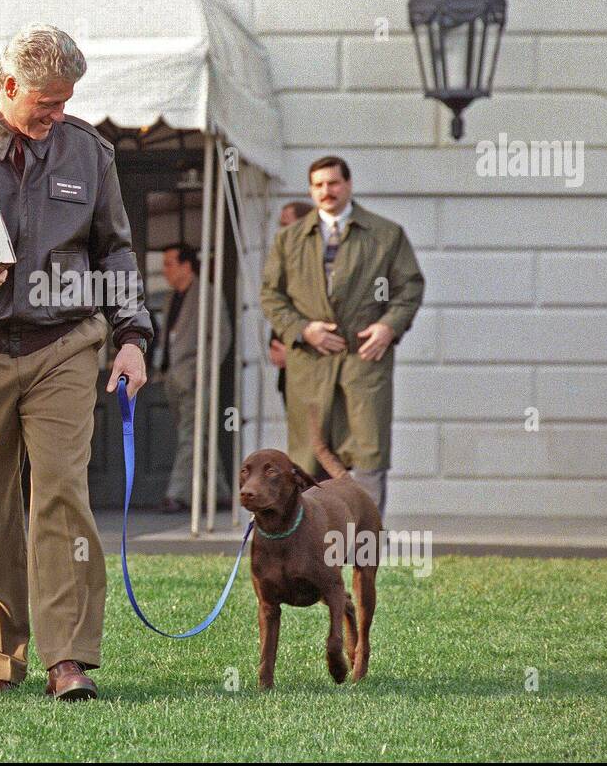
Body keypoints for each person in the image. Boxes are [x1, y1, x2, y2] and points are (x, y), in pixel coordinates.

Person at [0, 23, 153, 701]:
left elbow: (116, 251)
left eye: (67, 101)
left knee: (62, 492)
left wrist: (133, 335)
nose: (59, 115)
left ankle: (68, 658)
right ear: (9, 86)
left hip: (63, 344)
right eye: (48, 102)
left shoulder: (90, 153)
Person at [260, 156, 424, 516]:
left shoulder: (385, 235)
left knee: (367, 457)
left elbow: (409, 287)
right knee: (306, 462)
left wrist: (388, 327)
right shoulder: (290, 240)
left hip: (363, 363)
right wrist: (304, 329)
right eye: (318, 185)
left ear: (348, 185)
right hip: (310, 367)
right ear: (310, 190)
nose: (326, 191)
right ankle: (314, 552)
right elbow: (271, 296)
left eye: (333, 183)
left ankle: (364, 556)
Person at [154, 243, 231, 514]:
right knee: (197, 435)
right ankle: (220, 491)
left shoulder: (207, 294)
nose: (164, 270)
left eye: (169, 263)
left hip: (196, 376)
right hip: (173, 378)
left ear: (187, 265)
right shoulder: (169, 297)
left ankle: (177, 494)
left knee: (191, 435)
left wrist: (202, 370)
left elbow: (221, 336)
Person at [267, 201, 309, 408]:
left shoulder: (318, 267)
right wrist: (274, 347)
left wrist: (293, 356)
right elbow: (278, 308)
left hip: (313, 376)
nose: (281, 232)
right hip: (288, 375)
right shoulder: (284, 264)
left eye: (287, 225)